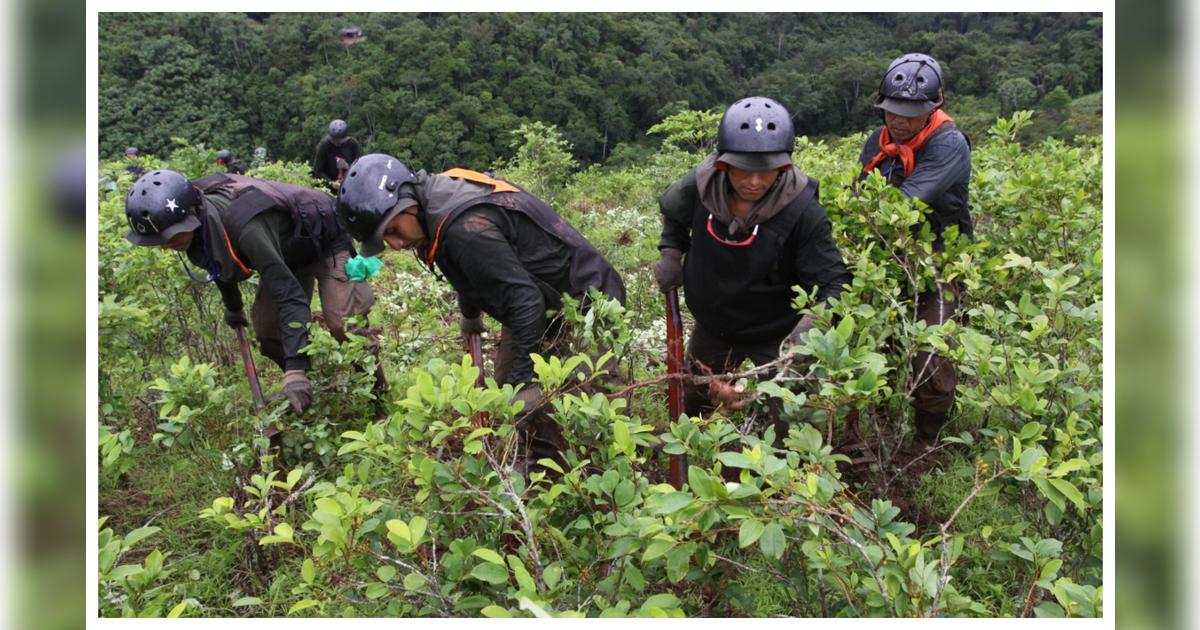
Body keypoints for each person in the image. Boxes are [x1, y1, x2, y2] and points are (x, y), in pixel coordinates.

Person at [335, 154, 627, 464]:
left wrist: (522, 382)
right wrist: (470, 314)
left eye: (392, 230)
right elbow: (468, 270)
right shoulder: (436, 200)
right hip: (535, 298)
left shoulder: (463, 228)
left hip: (583, 303)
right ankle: (540, 477)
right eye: (385, 240)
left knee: (590, 410)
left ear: (407, 202)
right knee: (508, 399)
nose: (394, 245)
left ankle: (616, 474)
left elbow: (524, 300)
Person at [653, 96, 851, 443]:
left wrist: (809, 328)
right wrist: (671, 251)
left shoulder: (804, 212)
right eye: (744, 169)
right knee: (693, 404)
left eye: (768, 171)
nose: (755, 181)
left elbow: (834, 283)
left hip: (777, 331)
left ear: (784, 167)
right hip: (715, 324)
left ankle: (779, 484)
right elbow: (675, 216)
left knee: (791, 421)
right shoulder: (701, 185)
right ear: (723, 163)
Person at [122, 169, 380, 415]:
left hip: (324, 240)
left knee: (343, 326)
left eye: (171, 237)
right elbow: (219, 263)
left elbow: (290, 295)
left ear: (192, 218)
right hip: (286, 251)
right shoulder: (196, 232)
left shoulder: (245, 227)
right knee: (267, 331)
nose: (167, 246)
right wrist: (233, 307)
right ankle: (306, 393)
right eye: (161, 242)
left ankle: (377, 393)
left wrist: (294, 369)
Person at [857, 52, 973, 449]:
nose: (901, 121)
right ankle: (884, 429)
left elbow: (902, 204)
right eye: (893, 111)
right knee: (881, 343)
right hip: (892, 254)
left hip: (941, 257)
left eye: (912, 112)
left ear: (934, 108)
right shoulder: (877, 141)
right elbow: (862, 195)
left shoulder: (949, 144)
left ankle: (928, 442)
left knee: (930, 352)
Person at [311, 119, 362, 186]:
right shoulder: (324, 145)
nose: (337, 143)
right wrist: (331, 183)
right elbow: (317, 171)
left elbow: (361, 165)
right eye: (334, 140)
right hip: (329, 185)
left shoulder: (352, 144)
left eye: (340, 141)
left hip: (350, 183)